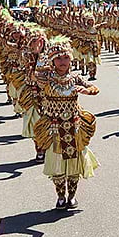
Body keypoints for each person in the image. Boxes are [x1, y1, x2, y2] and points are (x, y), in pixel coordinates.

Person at [33, 35, 100, 207]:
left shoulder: (75, 78)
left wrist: (88, 91)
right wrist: (39, 53)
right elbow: (37, 74)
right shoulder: (47, 77)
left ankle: (72, 196)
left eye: (66, 58)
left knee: (73, 164)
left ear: (70, 59)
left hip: (74, 126)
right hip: (54, 128)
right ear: (52, 60)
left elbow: (94, 88)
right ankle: (60, 196)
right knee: (57, 164)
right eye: (58, 58)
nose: (62, 62)